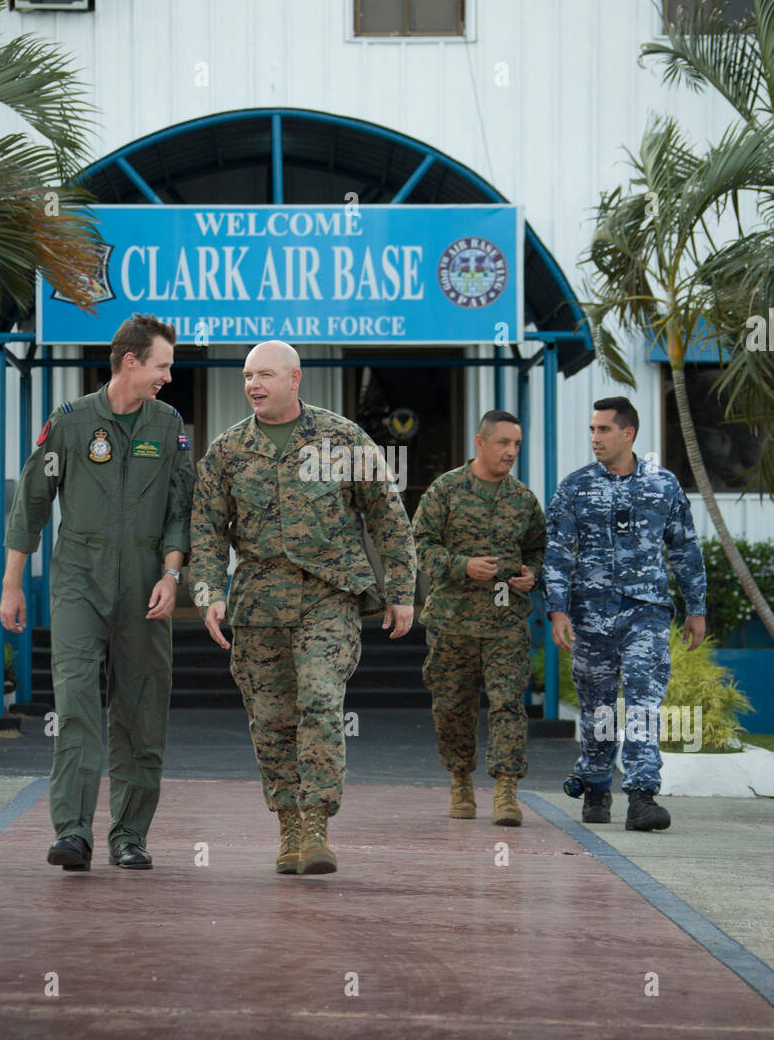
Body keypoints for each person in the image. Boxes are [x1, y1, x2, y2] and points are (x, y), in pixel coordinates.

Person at [190, 340, 416, 876]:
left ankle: (317, 823)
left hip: (327, 596)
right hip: (258, 600)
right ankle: (287, 824)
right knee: (270, 720)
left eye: (265, 374)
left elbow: (387, 516)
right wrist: (208, 594)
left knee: (319, 699)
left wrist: (402, 591)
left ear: (295, 378)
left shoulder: (342, 439)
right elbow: (205, 531)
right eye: (247, 375)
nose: (254, 385)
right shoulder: (226, 451)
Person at [0, 313, 196, 871]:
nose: (168, 376)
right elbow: (32, 504)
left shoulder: (169, 425)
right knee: (78, 706)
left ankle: (129, 835)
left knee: (142, 708)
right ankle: (73, 832)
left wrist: (172, 574)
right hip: (79, 581)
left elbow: (182, 509)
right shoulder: (70, 422)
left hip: (145, 583)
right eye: (162, 365)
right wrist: (13, 586)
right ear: (130, 361)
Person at [543, 396, 707, 831]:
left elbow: (684, 548)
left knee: (642, 698)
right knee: (597, 707)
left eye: (603, 430)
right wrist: (557, 609)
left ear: (628, 433)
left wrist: (697, 607)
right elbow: (557, 553)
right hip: (590, 616)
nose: (595, 438)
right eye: (592, 430)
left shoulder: (663, 485)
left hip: (646, 612)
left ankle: (641, 795)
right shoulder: (574, 486)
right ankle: (596, 787)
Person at [411, 411, 546, 826]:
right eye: (504, 443)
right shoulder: (446, 490)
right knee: (453, 707)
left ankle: (506, 790)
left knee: (508, 704)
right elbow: (419, 545)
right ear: (480, 443)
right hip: (453, 622)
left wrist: (532, 574)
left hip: (506, 621)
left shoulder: (523, 499)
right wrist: (461, 565)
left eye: (517, 444)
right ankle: (460, 780)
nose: (511, 452)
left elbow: (538, 548)